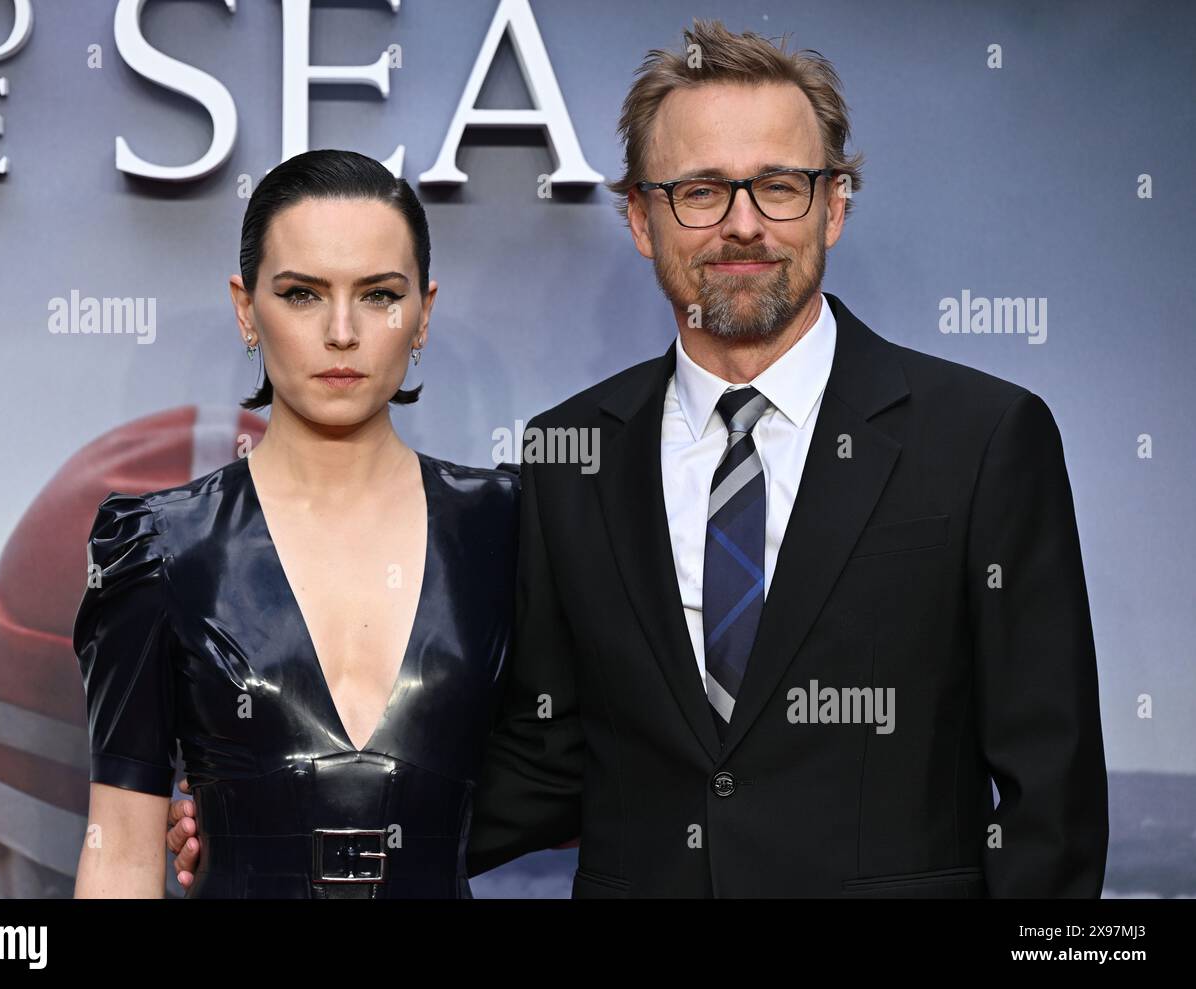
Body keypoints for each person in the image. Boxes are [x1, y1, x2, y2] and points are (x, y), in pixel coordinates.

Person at [172, 20, 1109, 898]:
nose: (742, 224)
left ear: (835, 207)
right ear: (638, 219)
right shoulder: (569, 455)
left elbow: (1050, 806)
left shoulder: (982, 438)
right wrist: (272, 819)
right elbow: (550, 758)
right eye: (699, 191)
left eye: (779, 185)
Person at [72, 149, 518, 898]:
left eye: (378, 295)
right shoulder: (158, 549)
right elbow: (119, 851)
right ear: (247, 308)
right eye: (303, 294)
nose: (341, 332)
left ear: (423, 314)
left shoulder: (508, 527)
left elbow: (595, 772)